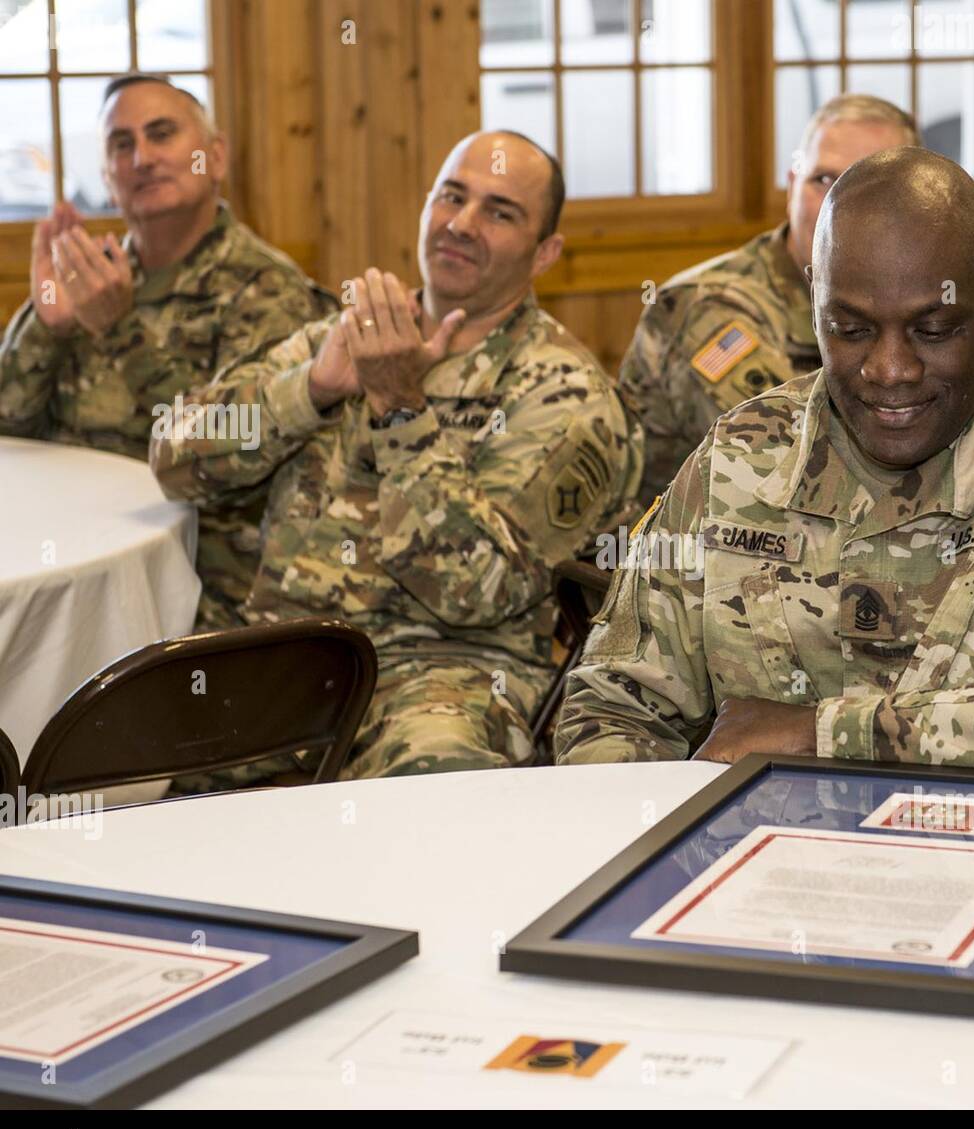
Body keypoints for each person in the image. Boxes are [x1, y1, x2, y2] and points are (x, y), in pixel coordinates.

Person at [555, 148, 974, 788]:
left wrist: (829, 733)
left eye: (935, 329)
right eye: (850, 329)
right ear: (814, 300)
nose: (890, 370)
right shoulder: (744, 452)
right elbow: (611, 705)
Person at [152, 131, 642, 778]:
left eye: (499, 212)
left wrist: (400, 408)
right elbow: (172, 458)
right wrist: (311, 390)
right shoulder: (350, 334)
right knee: (145, 762)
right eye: (451, 197)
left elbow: (473, 589)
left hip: (439, 675)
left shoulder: (564, 393)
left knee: (437, 781)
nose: (462, 224)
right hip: (284, 659)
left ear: (544, 252)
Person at [0, 74, 336, 630]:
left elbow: (237, 449)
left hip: (197, 584)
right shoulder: (93, 277)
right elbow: (8, 432)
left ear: (216, 157)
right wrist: (48, 326)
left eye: (162, 134)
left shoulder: (268, 291)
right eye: (122, 145)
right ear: (108, 177)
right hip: (62, 561)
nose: (143, 158)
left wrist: (122, 331)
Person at [622, 95, 919, 507]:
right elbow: (790, 467)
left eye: (870, 188)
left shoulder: (915, 297)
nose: (839, 206)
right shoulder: (712, 305)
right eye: (822, 180)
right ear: (792, 185)